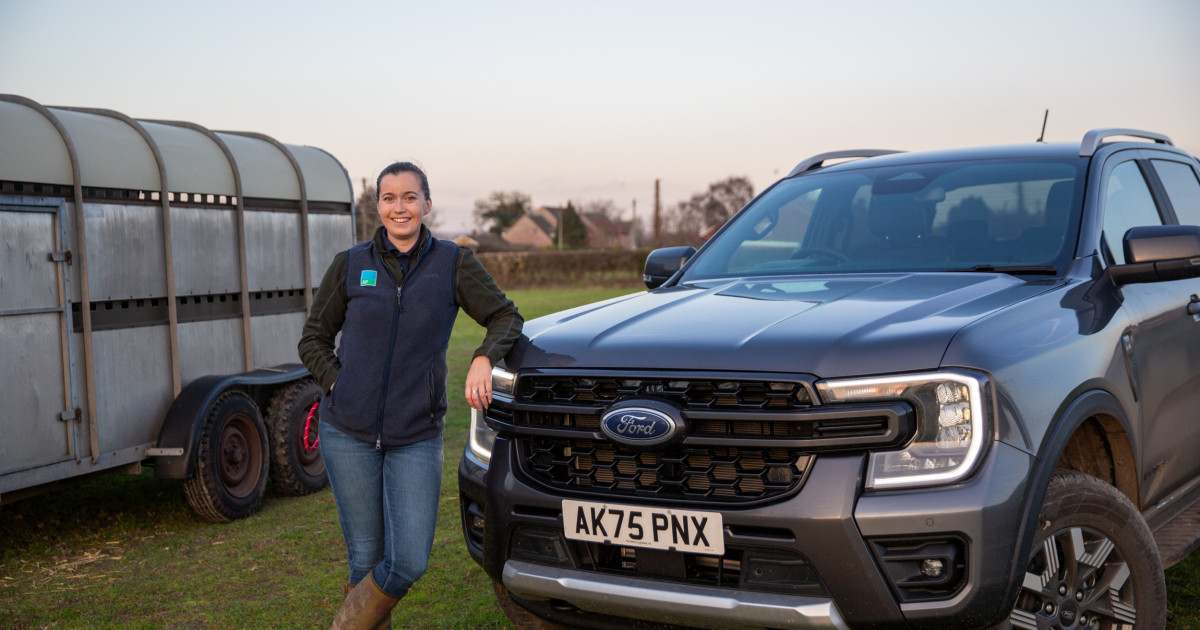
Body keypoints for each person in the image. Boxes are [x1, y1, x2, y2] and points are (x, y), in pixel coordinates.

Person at [298, 162, 522, 629]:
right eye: (388, 198)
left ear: (426, 204)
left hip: (416, 434)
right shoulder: (352, 263)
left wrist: (484, 357)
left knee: (409, 561)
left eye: (409, 197)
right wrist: (339, 383)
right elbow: (313, 338)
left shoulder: (453, 263)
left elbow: (505, 316)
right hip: (347, 433)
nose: (399, 207)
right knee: (364, 559)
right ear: (377, 205)